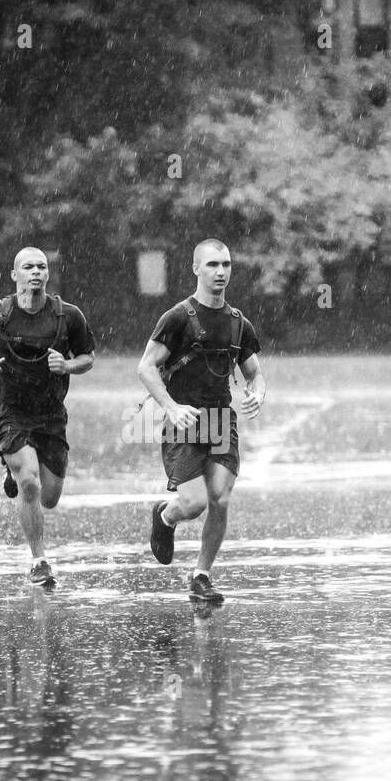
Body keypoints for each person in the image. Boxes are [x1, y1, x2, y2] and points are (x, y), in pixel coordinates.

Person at [0, 247, 95, 587]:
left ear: (48, 275)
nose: (36, 271)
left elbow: (88, 357)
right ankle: (39, 560)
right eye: (28, 266)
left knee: (49, 497)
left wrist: (67, 365)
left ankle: (14, 473)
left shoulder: (68, 316)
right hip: (11, 413)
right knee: (30, 484)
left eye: (41, 267)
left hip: (51, 415)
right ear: (14, 275)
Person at [138, 239, 265, 603]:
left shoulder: (239, 323)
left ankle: (201, 576)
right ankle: (165, 517)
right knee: (194, 504)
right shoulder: (178, 317)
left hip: (221, 421)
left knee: (221, 499)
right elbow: (145, 367)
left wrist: (258, 392)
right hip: (184, 420)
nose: (220, 272)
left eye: (226, 264)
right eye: (212, 265)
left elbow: (255, 373)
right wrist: (171, 407)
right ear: (196, 268)